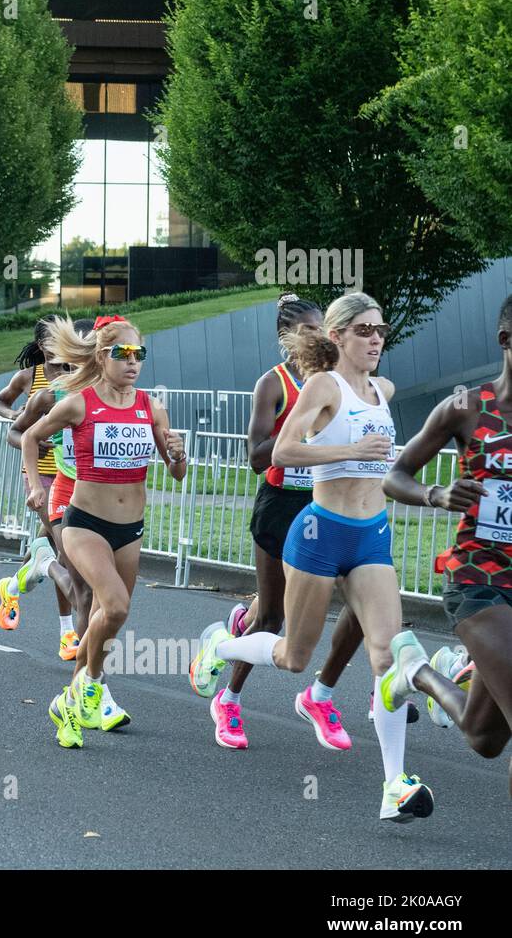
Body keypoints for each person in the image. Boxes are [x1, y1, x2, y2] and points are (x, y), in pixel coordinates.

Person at [191, 293, 432, 822]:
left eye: (381, 330)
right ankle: (221, 644)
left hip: (371, 535)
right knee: (292, 655)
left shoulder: (382, 390)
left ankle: (395, 784)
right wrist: (348, 451)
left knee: (386, 655)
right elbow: (280, 452)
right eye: (364, 330)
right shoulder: (324, 386)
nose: (375, 339)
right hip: (320, 531)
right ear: (338, 336)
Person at [198, 295, 370, 750]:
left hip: (325, 508)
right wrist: (296, 425)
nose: (323, 338)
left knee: (361, 601)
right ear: (288, 339)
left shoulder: (339, 382)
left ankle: (324, 694)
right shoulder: (272, 385)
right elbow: (256, 458)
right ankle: (228, 699)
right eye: (313, 330)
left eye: (326, 329)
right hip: (280, 505)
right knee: (275, 617)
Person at [21, 316, 186, 745]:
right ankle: (92, 686)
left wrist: (178, 455)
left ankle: (69, 704)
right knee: (113, 608)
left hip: (130, 529)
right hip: (84, 523)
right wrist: (33, 485)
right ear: (101, 356)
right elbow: (29, 436)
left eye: (139, 355)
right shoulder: (79, 403)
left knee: (103, 618)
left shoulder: (152, 407)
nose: (132, 363)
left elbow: (178, 474)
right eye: (122, 354)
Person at [377, 295, 512, 796]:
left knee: (486, 737)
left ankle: (417, 671)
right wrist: (437, 493)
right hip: (480, 579)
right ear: (506, 341)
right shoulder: (465, 408)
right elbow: (395, 476)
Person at [0, 318, 96, 661]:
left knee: (50, 549)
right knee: (67, 559)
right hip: (47, 477)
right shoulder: (40, 384)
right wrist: (20, 423)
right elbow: (17, 430)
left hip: (86, 484)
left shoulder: (102, 388)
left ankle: (15, 583)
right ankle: (68, 632)